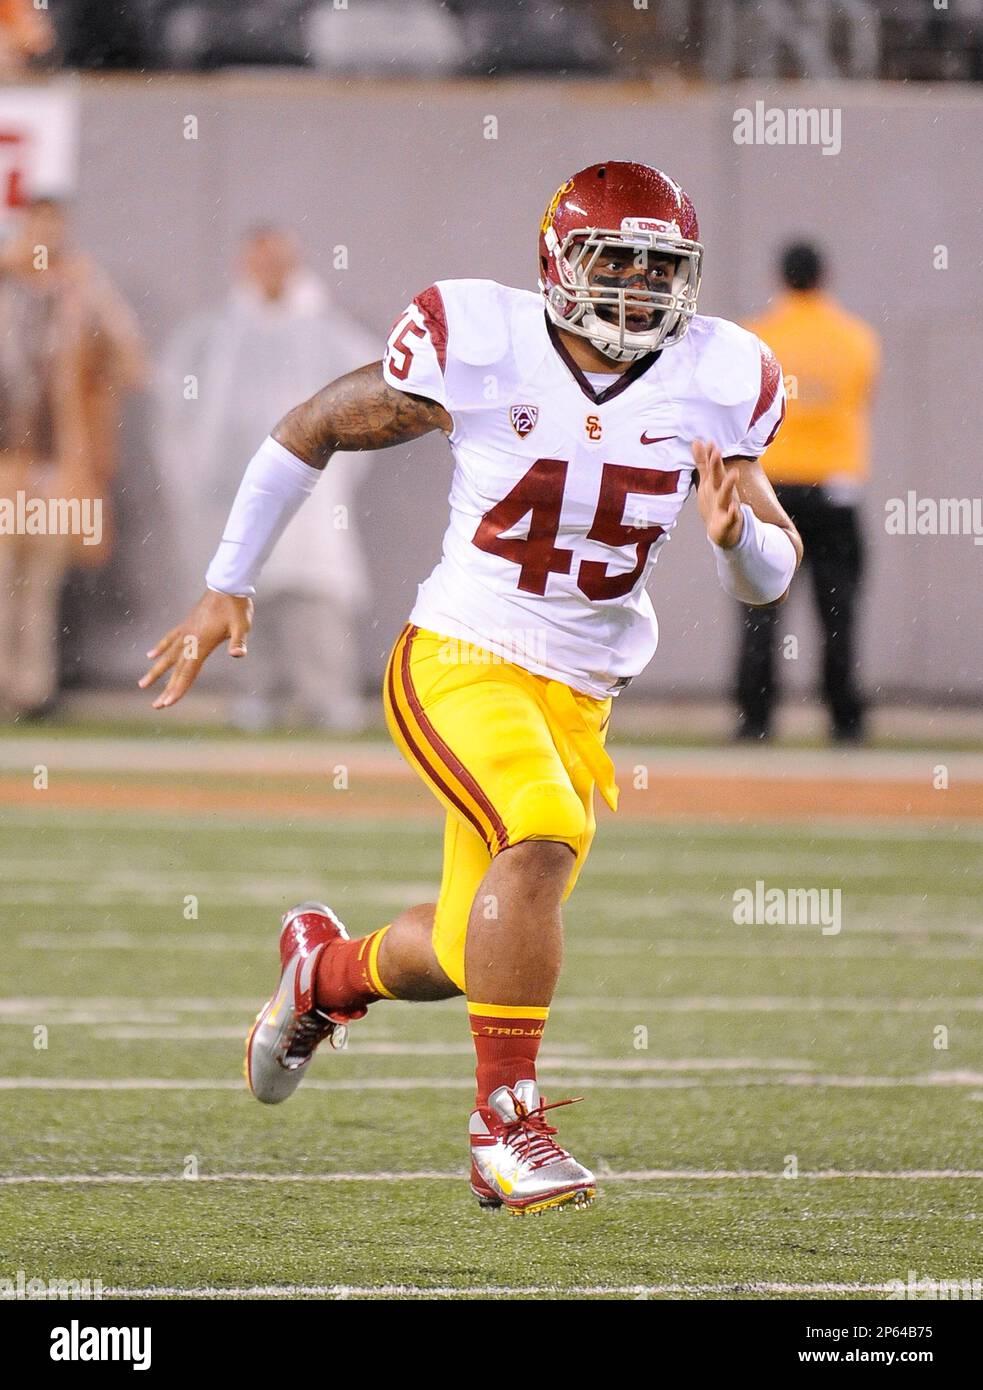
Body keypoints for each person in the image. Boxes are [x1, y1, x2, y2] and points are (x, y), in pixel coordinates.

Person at [140, 162, 802, 1214]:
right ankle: (505, 1126)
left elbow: (773, 565)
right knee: (533, 833)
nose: (635, 285)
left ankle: (322, 974)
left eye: (657, 265)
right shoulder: (481, 344)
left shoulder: (718, 373)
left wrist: (732, 547)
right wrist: (227, 584)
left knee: (464, 945)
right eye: (613, 259)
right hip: (459, 652)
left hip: (578, 694)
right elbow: (310, 427)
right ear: (556, 261)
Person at [157, 225, 374, 730]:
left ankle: (328, 697)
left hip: (316, 494)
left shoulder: (327, 330)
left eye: (280, 259)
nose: (271, 270)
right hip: (235, 487)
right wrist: (199, 476)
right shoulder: (214, 336)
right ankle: (253, 695)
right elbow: (181, 412)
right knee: (241, 584)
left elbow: (371, 396)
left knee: (318, 592)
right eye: (261, 260)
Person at [0, 196, 144, 718]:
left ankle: (28, 693)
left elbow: (132, 359)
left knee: (39, 580)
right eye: (35, 228)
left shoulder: (79, 290)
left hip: (57, 460)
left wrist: (87, 291)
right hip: (5, 457)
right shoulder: (7, 286)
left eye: (53, 228)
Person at [737, 241, 880, 743]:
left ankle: (754, 721)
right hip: (835, 492)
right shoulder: (856, 339)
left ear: (781, 278)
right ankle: (845, 719)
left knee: (760, 610)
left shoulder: (758, 339)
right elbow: (861, 394)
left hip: (770, 490)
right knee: (838, 612)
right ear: (826, 276)